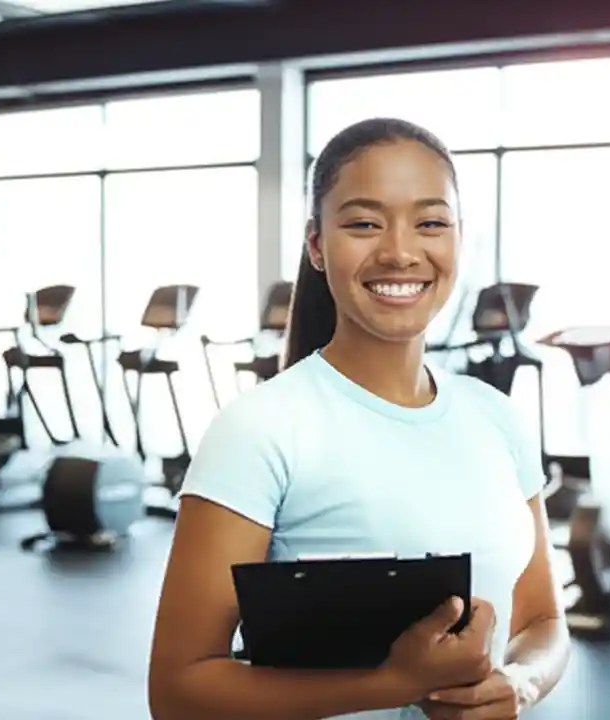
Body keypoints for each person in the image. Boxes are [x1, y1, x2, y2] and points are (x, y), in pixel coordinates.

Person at [147, 117, 569, 720]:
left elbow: (542, 620)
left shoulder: (498, 418)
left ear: (458, 239)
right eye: (365, 224)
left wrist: (521, 683)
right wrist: (394, 683)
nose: (400, 252)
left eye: (431, 223)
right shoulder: (261, 429)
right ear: (317, 245)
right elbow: (178, 691)